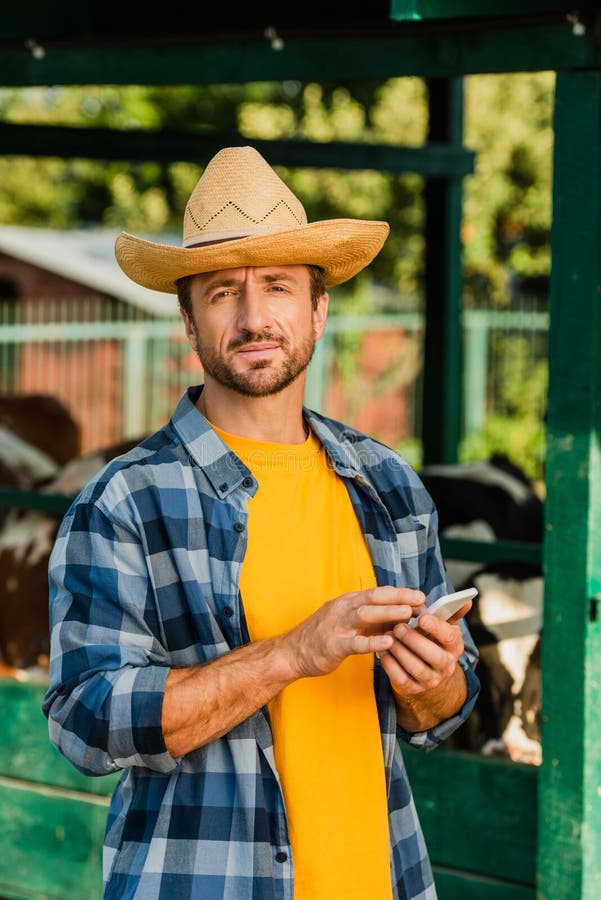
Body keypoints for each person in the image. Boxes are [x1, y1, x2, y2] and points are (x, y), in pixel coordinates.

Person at [42, 145, 480, 900]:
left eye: (277, 287)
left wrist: (432, 680)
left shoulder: (387, 486)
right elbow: (85, 723)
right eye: (221, 293)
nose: (253, 318)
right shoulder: (125, 501)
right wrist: (289, 654)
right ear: (188, 319)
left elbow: (445, 710)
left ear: (317, 308)